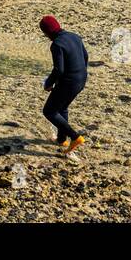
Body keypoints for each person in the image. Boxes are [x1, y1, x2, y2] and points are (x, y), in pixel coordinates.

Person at [39, 15, 88, 155]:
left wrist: (48, 83)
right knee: (62, 107)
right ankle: (61, 140)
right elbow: (85, 57)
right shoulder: (74, 36)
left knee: (49, 111)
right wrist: (79, 74)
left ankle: (75, 137)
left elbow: (59, 70)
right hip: (81, 79)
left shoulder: (57, 45)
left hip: (69, 82)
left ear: (46, 33)